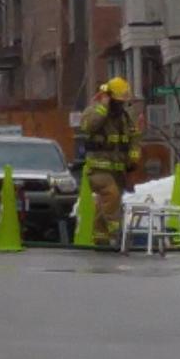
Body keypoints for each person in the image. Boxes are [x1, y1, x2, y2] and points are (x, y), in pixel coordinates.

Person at [78, 76, 142, 246]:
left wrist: (133, 158)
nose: (120, 106)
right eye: (117, 102)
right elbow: (88, 126)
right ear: (108, 97)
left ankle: (101, 239)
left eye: (123, 102)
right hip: (98, 168)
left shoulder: (125, 118)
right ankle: (116, 230)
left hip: (118, 169)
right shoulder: (94, 111)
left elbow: (134, 138)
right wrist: (103, 107)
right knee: (111, 195)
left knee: (105, 203)